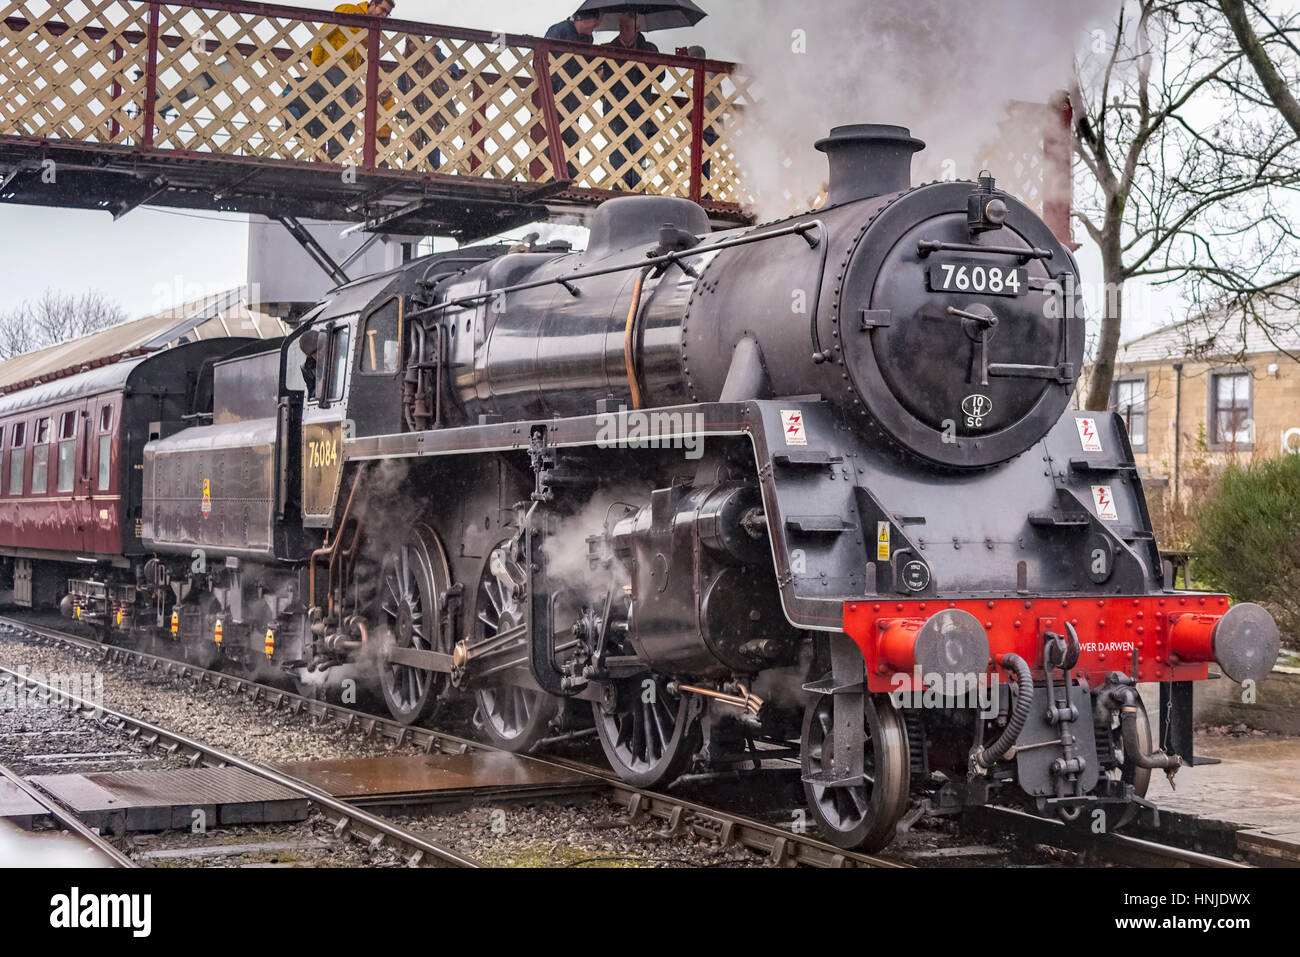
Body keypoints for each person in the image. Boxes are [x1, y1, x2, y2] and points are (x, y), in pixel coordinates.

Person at [301, 0, 397, 161]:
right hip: (332, 66)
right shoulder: (348, 10)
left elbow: (358, 55)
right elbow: (323, 35)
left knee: (349, 116)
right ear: (372, 4)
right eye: (382, 10)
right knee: (342, 112)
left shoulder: (370, 26)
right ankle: (334, 156)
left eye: (387, 13)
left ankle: (336, 156)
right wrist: (316, 67)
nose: (384, 15)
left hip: (348, 74)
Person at [603, 13, 660, 190]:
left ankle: (638, 190)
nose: (623, 30)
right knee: (617, 151)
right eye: (621, 26)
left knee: (639, 151)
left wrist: (640, 65)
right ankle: (619, 189)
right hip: (615, 107)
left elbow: (661, 75)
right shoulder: (610, 48)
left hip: (640, 109)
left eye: (627, 27)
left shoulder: (649, 49)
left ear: (637, 28)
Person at [544, 11, 601, 181]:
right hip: (555, 91)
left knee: (572, 133)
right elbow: (544, 58)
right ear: (584, 20)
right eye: (595, 23)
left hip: (573, 93)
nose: (596, 27)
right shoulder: (559, 30)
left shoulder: (587, 39)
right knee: (554, 132)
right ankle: (551, 174)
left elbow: (585, 64)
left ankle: (569, 174)